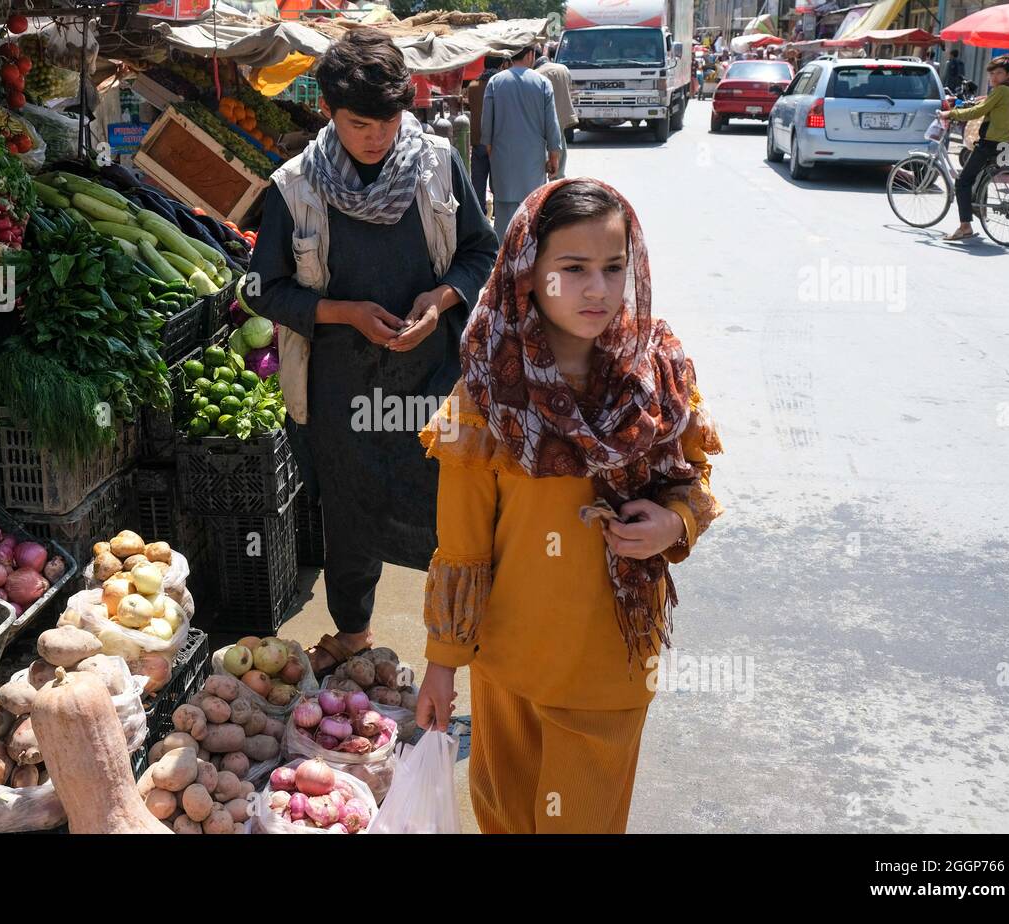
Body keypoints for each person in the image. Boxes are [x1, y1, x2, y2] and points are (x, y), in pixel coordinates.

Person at [415, 179, 723, 833]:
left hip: (609, 665)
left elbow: (692, 479)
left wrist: (675, 522)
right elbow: (463, 546)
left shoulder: (657, 369)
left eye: (614, 268)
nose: (597, 291)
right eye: (573, 269)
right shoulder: (488, 394)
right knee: (506, 820)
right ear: (529, 271)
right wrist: (443, 665)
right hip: (509, 667)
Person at [249, 30, 499, 675]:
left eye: (389, 122)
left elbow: (482, 253)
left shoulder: (439, 165)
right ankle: (353, 633)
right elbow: (263, 288)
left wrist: (440, 301)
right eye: (360, 124)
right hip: (343, 385)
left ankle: (468, 638)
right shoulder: (295, 187)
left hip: (434, 376)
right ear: (329, 113)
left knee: (452, 506)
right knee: (350, 510)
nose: (377, 137)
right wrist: (344, 314)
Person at [483, 44, 562, 238]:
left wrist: (495, 160)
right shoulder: (543, 83)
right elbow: (552, 127)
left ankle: (504, 264)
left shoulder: (494, 82)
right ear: (530, 55)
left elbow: (486, 132)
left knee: (504, 224)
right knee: (532, 216)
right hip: (533, 167)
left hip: (503, 166)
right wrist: (554, 158)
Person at [939, 56, 1009, 242]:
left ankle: (964, 227)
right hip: (1006, 143)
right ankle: (977, 205)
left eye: (999, 73)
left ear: (1008, 75)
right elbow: (988, 106)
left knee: (962, 182)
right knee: (979, 178)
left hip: (991, 143)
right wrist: (983, 101)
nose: (994, 77)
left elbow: (977, 112)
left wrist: (950, 113)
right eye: (992, 73)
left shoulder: (1000, 91)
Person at [468, 55, 506, 213]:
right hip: (496, 141)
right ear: (501, 65)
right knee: (498, 182)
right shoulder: (501, 86)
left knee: (478, 182)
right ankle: (498, 212)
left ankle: (479, 215)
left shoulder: (473, 85)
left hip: (477, 140)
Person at [535, 44, 578, 180]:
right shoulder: (563, 69)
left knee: (545, 158)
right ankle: (557, 183)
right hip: (562, 119)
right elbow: (570, 90)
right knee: (560, 154)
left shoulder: (536, 75)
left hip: (543, 123)